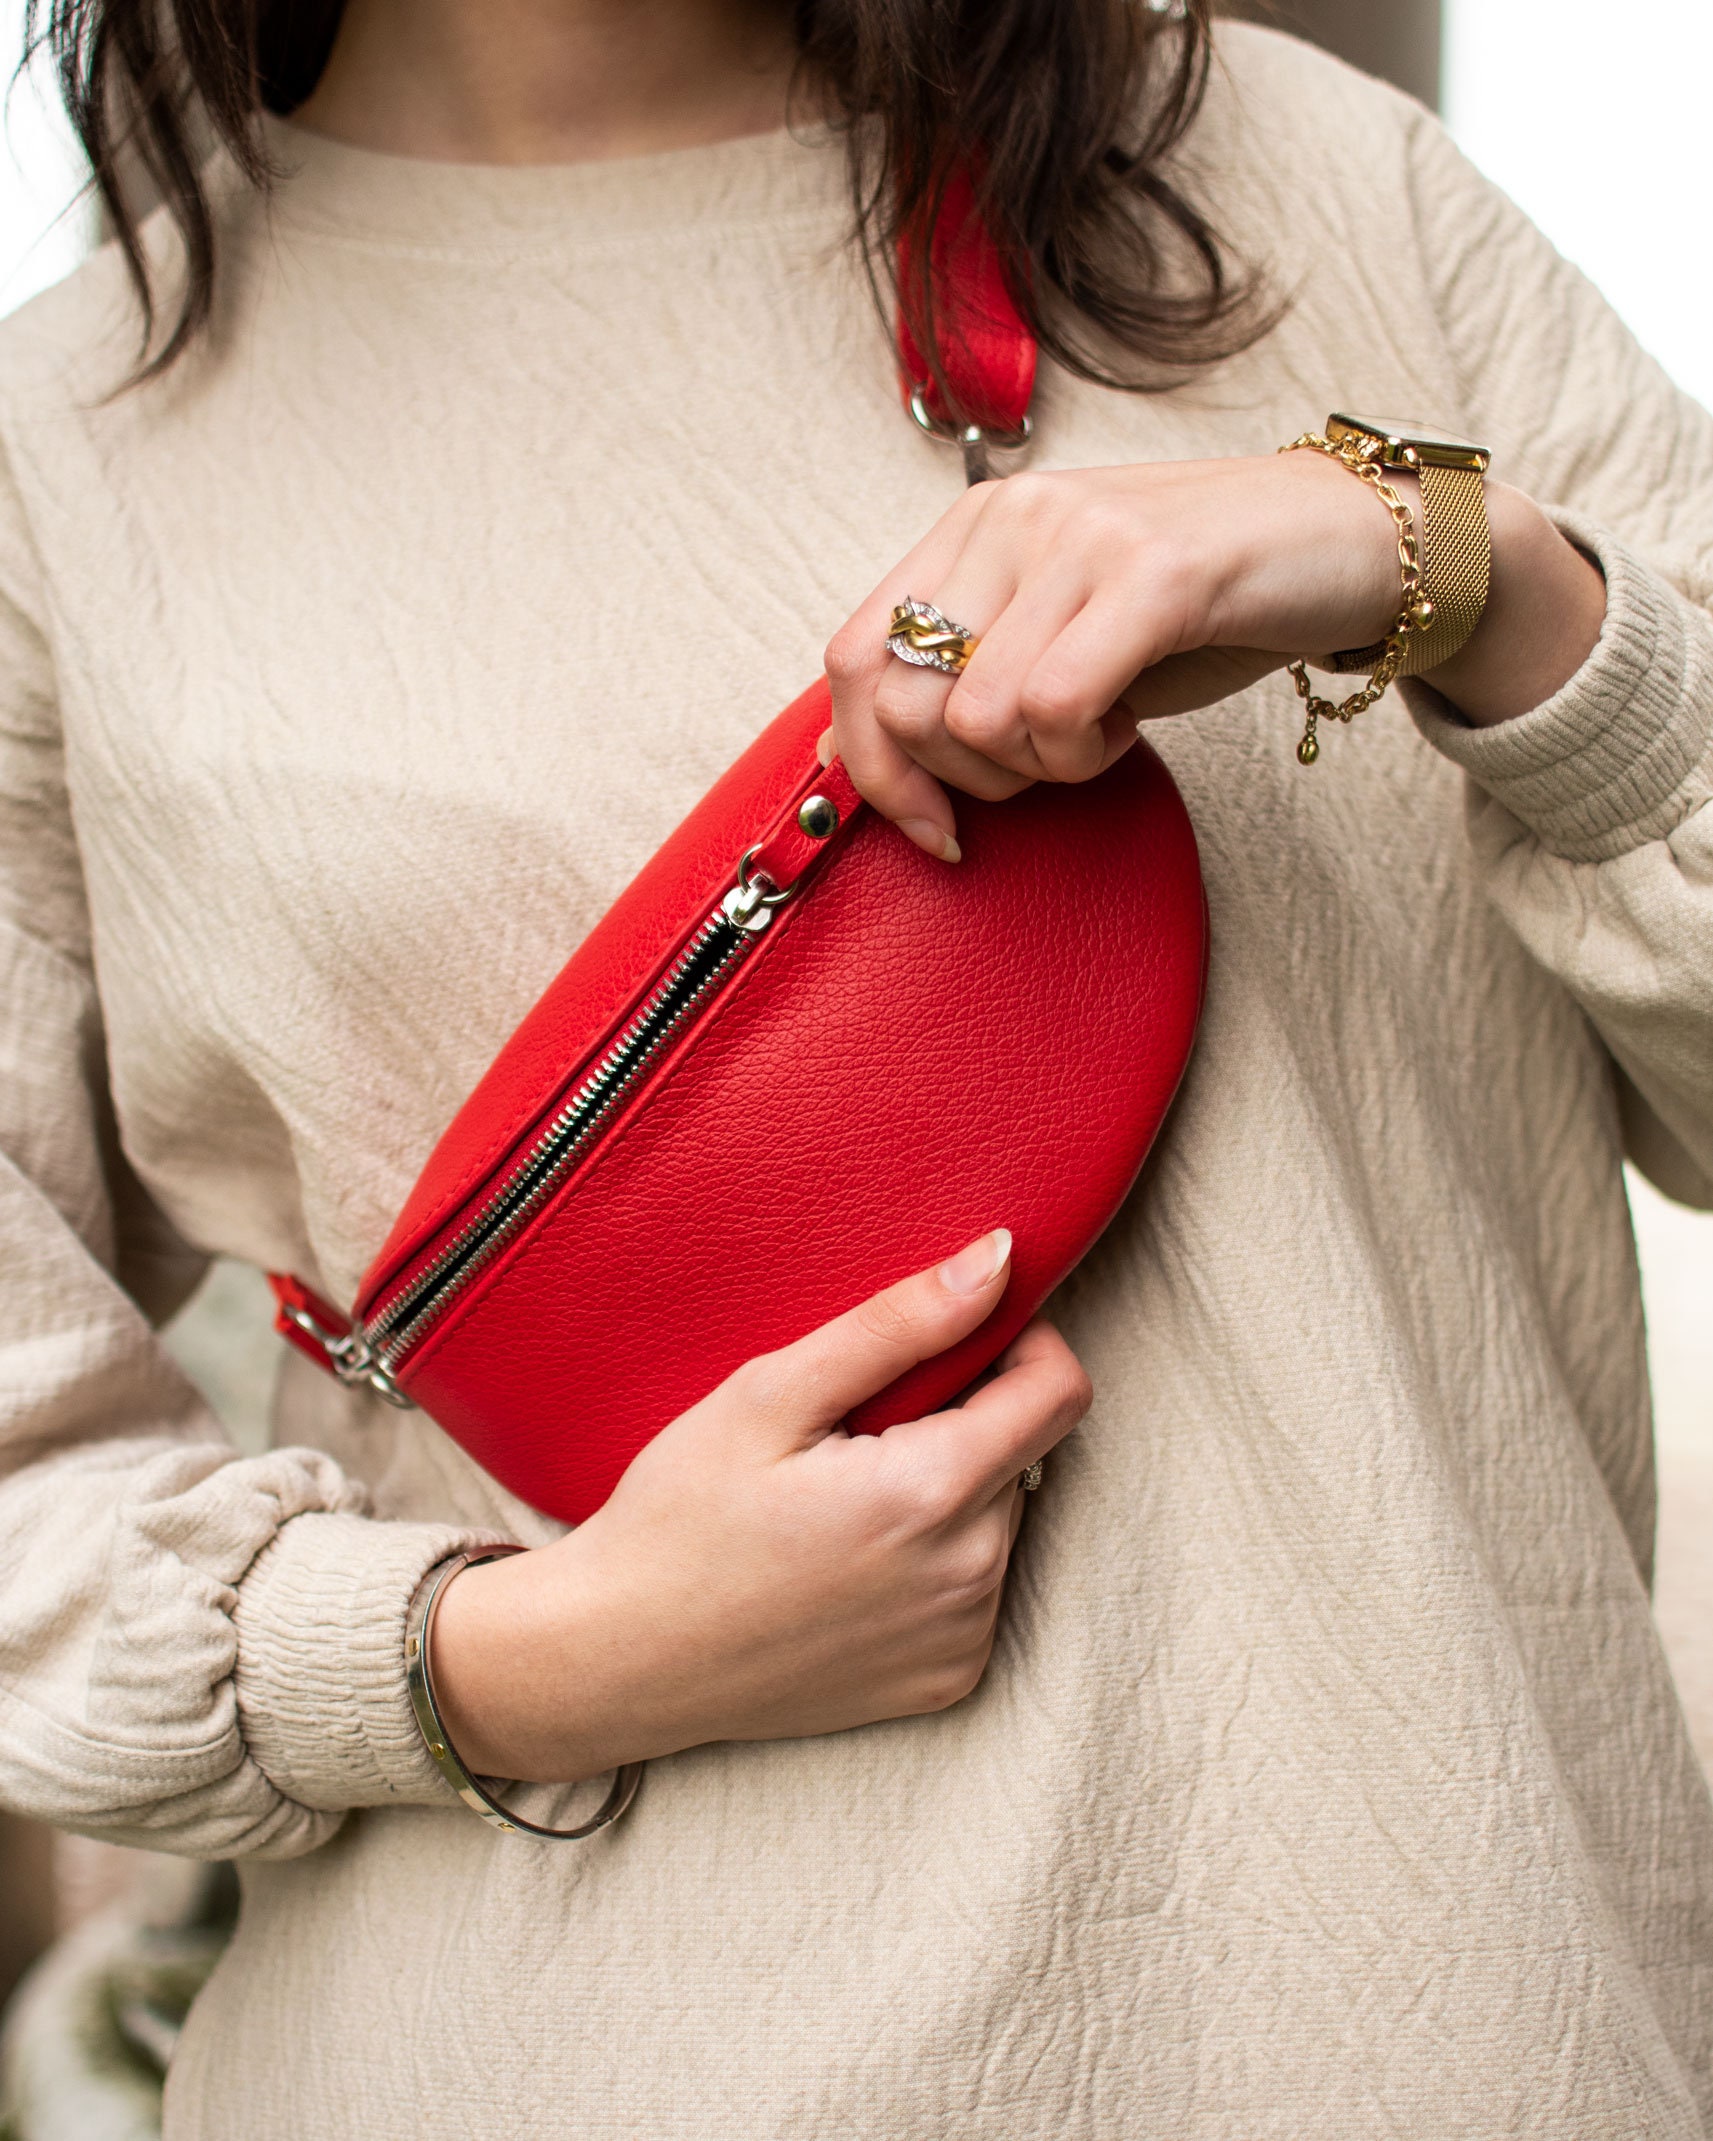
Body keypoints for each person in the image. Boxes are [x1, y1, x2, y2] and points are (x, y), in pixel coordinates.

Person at [0, 0, 1709, 2131]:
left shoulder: (1304, 184)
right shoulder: (69, 448)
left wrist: (1462, 576)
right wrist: (502, 1662)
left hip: (1448, 2030)